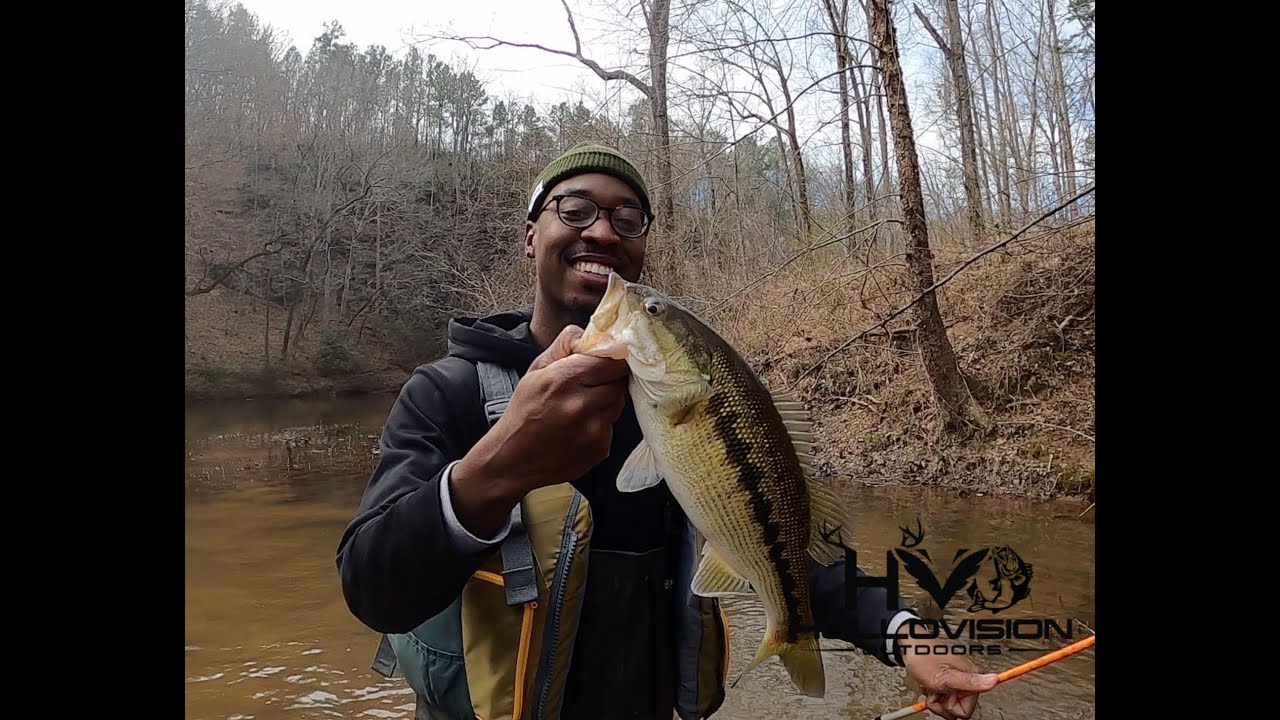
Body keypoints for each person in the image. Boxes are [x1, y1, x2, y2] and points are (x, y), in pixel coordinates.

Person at [335, 144, 998, 720]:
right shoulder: (444, 394)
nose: (602, 231)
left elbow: (778, 541)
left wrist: (906, 630)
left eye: (627, 219)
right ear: (529, 234)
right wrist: (499, 465)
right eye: (574, 209)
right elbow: (371, 587)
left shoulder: (668, 403)